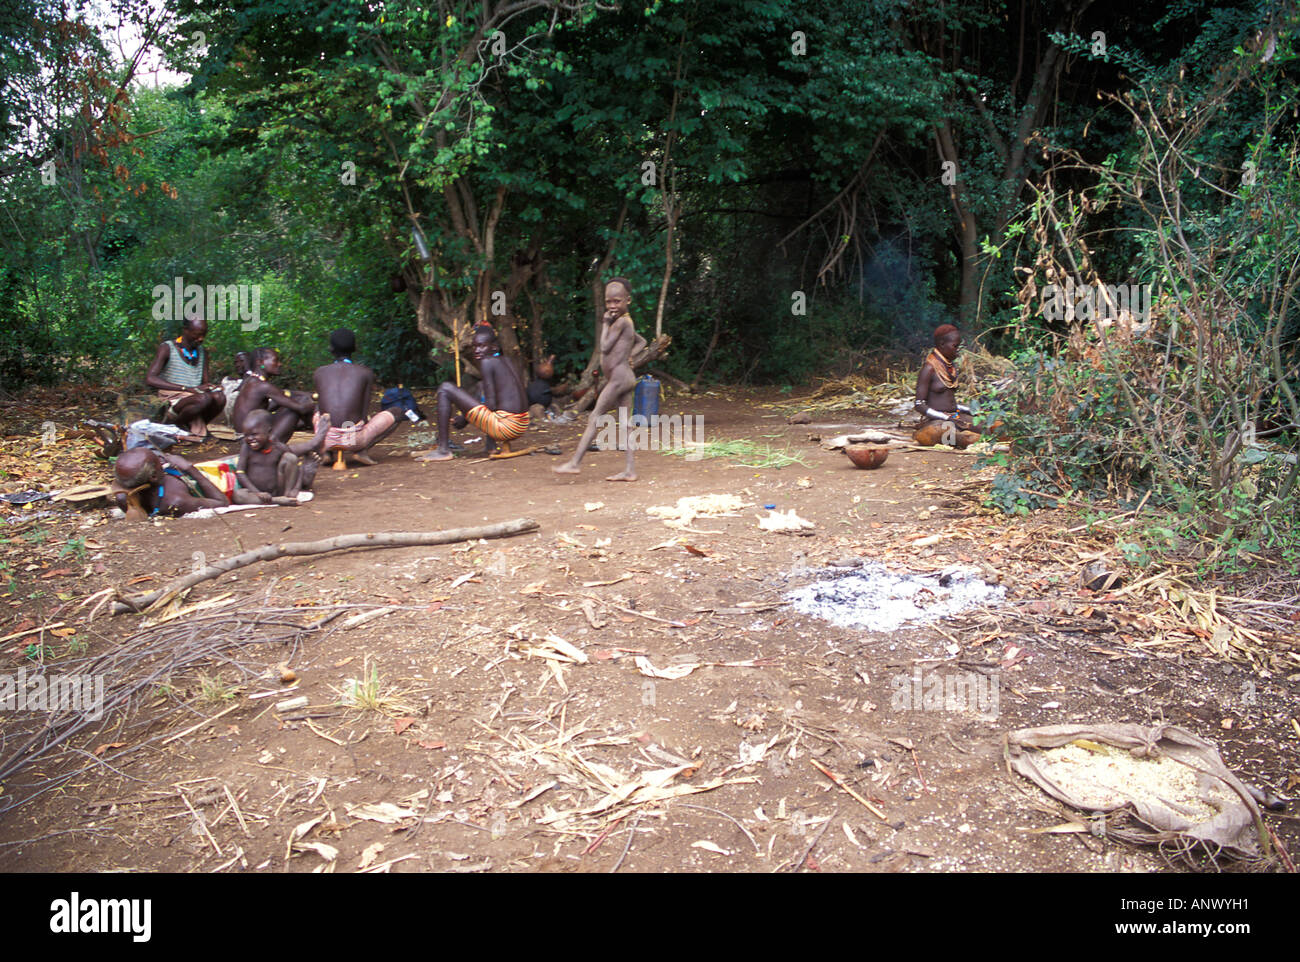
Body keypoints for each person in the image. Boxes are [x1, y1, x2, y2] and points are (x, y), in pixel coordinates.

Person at [553, 277, 644, 481]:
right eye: (609, 301)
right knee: (626, 423)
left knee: (595, 416)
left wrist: (604, 324)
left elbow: (604, 347)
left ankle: (575, 463)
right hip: (625, 377)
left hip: (619, 379)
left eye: (617, 301)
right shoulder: (625, 322)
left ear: (627, 300)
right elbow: (641, 341)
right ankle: (630, 470)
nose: (612, 306)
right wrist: (631, 355)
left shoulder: (620, 322)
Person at [415, 326, 529, 461]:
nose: (476, 350)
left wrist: (465, 418)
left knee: (445, 388)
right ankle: (490, 446)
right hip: (521, 424)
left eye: (481, 346)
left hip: (506, 427)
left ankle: (443, 450)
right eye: (474, 346)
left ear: (494, 347)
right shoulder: (507, 361)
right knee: (481, 386)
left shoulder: (487, 363)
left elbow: (491, 405)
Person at [312, 328, 405, 466]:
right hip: (352, 439)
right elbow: (363, 413)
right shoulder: (365, 373)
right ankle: (361, 451)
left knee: (316, 409)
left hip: (325, 438)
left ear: (331, 349)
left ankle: (325, 452)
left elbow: (323, 404)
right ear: (354, 348)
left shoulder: (319, 372)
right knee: (397, 412)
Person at [144, 314, 225, 437]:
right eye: (197, 334)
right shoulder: (167, 348)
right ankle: (175, 424)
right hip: (172, 397)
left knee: (219, 397)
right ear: (185, 330)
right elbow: (150, 378)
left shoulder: (202, 352)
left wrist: (211, 387)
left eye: (204, 334)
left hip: (195, 396)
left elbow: (204, 383)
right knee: (203, 399)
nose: (201, 339)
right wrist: (185, 388)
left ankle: (189, 425)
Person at [234, 409, 329, 502]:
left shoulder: (277, 447)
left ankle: (289, 493)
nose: (250, 439)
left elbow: (296, 464)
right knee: (238, 495)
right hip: (255, 493)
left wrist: (295, 489)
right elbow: (240, 473)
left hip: (279, 490)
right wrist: (257, 493)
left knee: (290, 457)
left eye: (254, 434)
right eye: (246, 435)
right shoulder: (246, 448)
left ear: (269, 432)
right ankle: (276, 501)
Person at [111, 448, 231, 519]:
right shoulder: (176, 501)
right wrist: (189, 468)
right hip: (222, 480)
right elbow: (222, 502)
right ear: (153, 477)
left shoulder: (122, 497)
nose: (163, 460)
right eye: (159, 461)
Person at [912, 324, 981, 448]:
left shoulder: (950, 368)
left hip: (955, 415)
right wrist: (945, 417)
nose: (958, 349)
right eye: (955, 346)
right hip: (937, 420)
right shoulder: (929, 369)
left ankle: (969, 438)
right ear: (942, 344)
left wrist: (969, 410)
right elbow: (919, 405)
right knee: (950, 434)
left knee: (985, 426)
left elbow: (949, 402)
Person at [232, 348, 316, 443]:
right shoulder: (263, 386)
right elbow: (301, 408)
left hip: (245, 436)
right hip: (252, 440)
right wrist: (317, 404)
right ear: (260, 362)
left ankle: (317, 434)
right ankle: (320, 437)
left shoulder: (251, 381)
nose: (280, 364)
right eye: (275, 360)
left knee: (291, 402)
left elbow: (274, 401)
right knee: (301, 402)